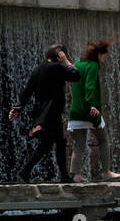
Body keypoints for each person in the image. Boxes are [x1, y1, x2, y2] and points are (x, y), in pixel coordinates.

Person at [9, 43, 78, 183]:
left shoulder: (37, 70)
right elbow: (76, 76)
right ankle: (25, 171)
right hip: (52, 112)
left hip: (41, 113)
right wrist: (66, 62)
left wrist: (17, 108)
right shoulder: (57, 67)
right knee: (49, 144)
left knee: (59, 141)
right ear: (59, 56)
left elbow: (27, 92)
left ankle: (63, 175)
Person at [67, 36, 120, 182]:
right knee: (103, 139)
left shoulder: (78, 64)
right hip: (89, 111)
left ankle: (76, 174)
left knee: (79, 143)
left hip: (75, 111)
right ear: (99, 54)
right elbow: (90, 86)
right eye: (104, 55)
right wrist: (92, 105)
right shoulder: (93, 66)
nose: (104, 58)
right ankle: (106, 171)